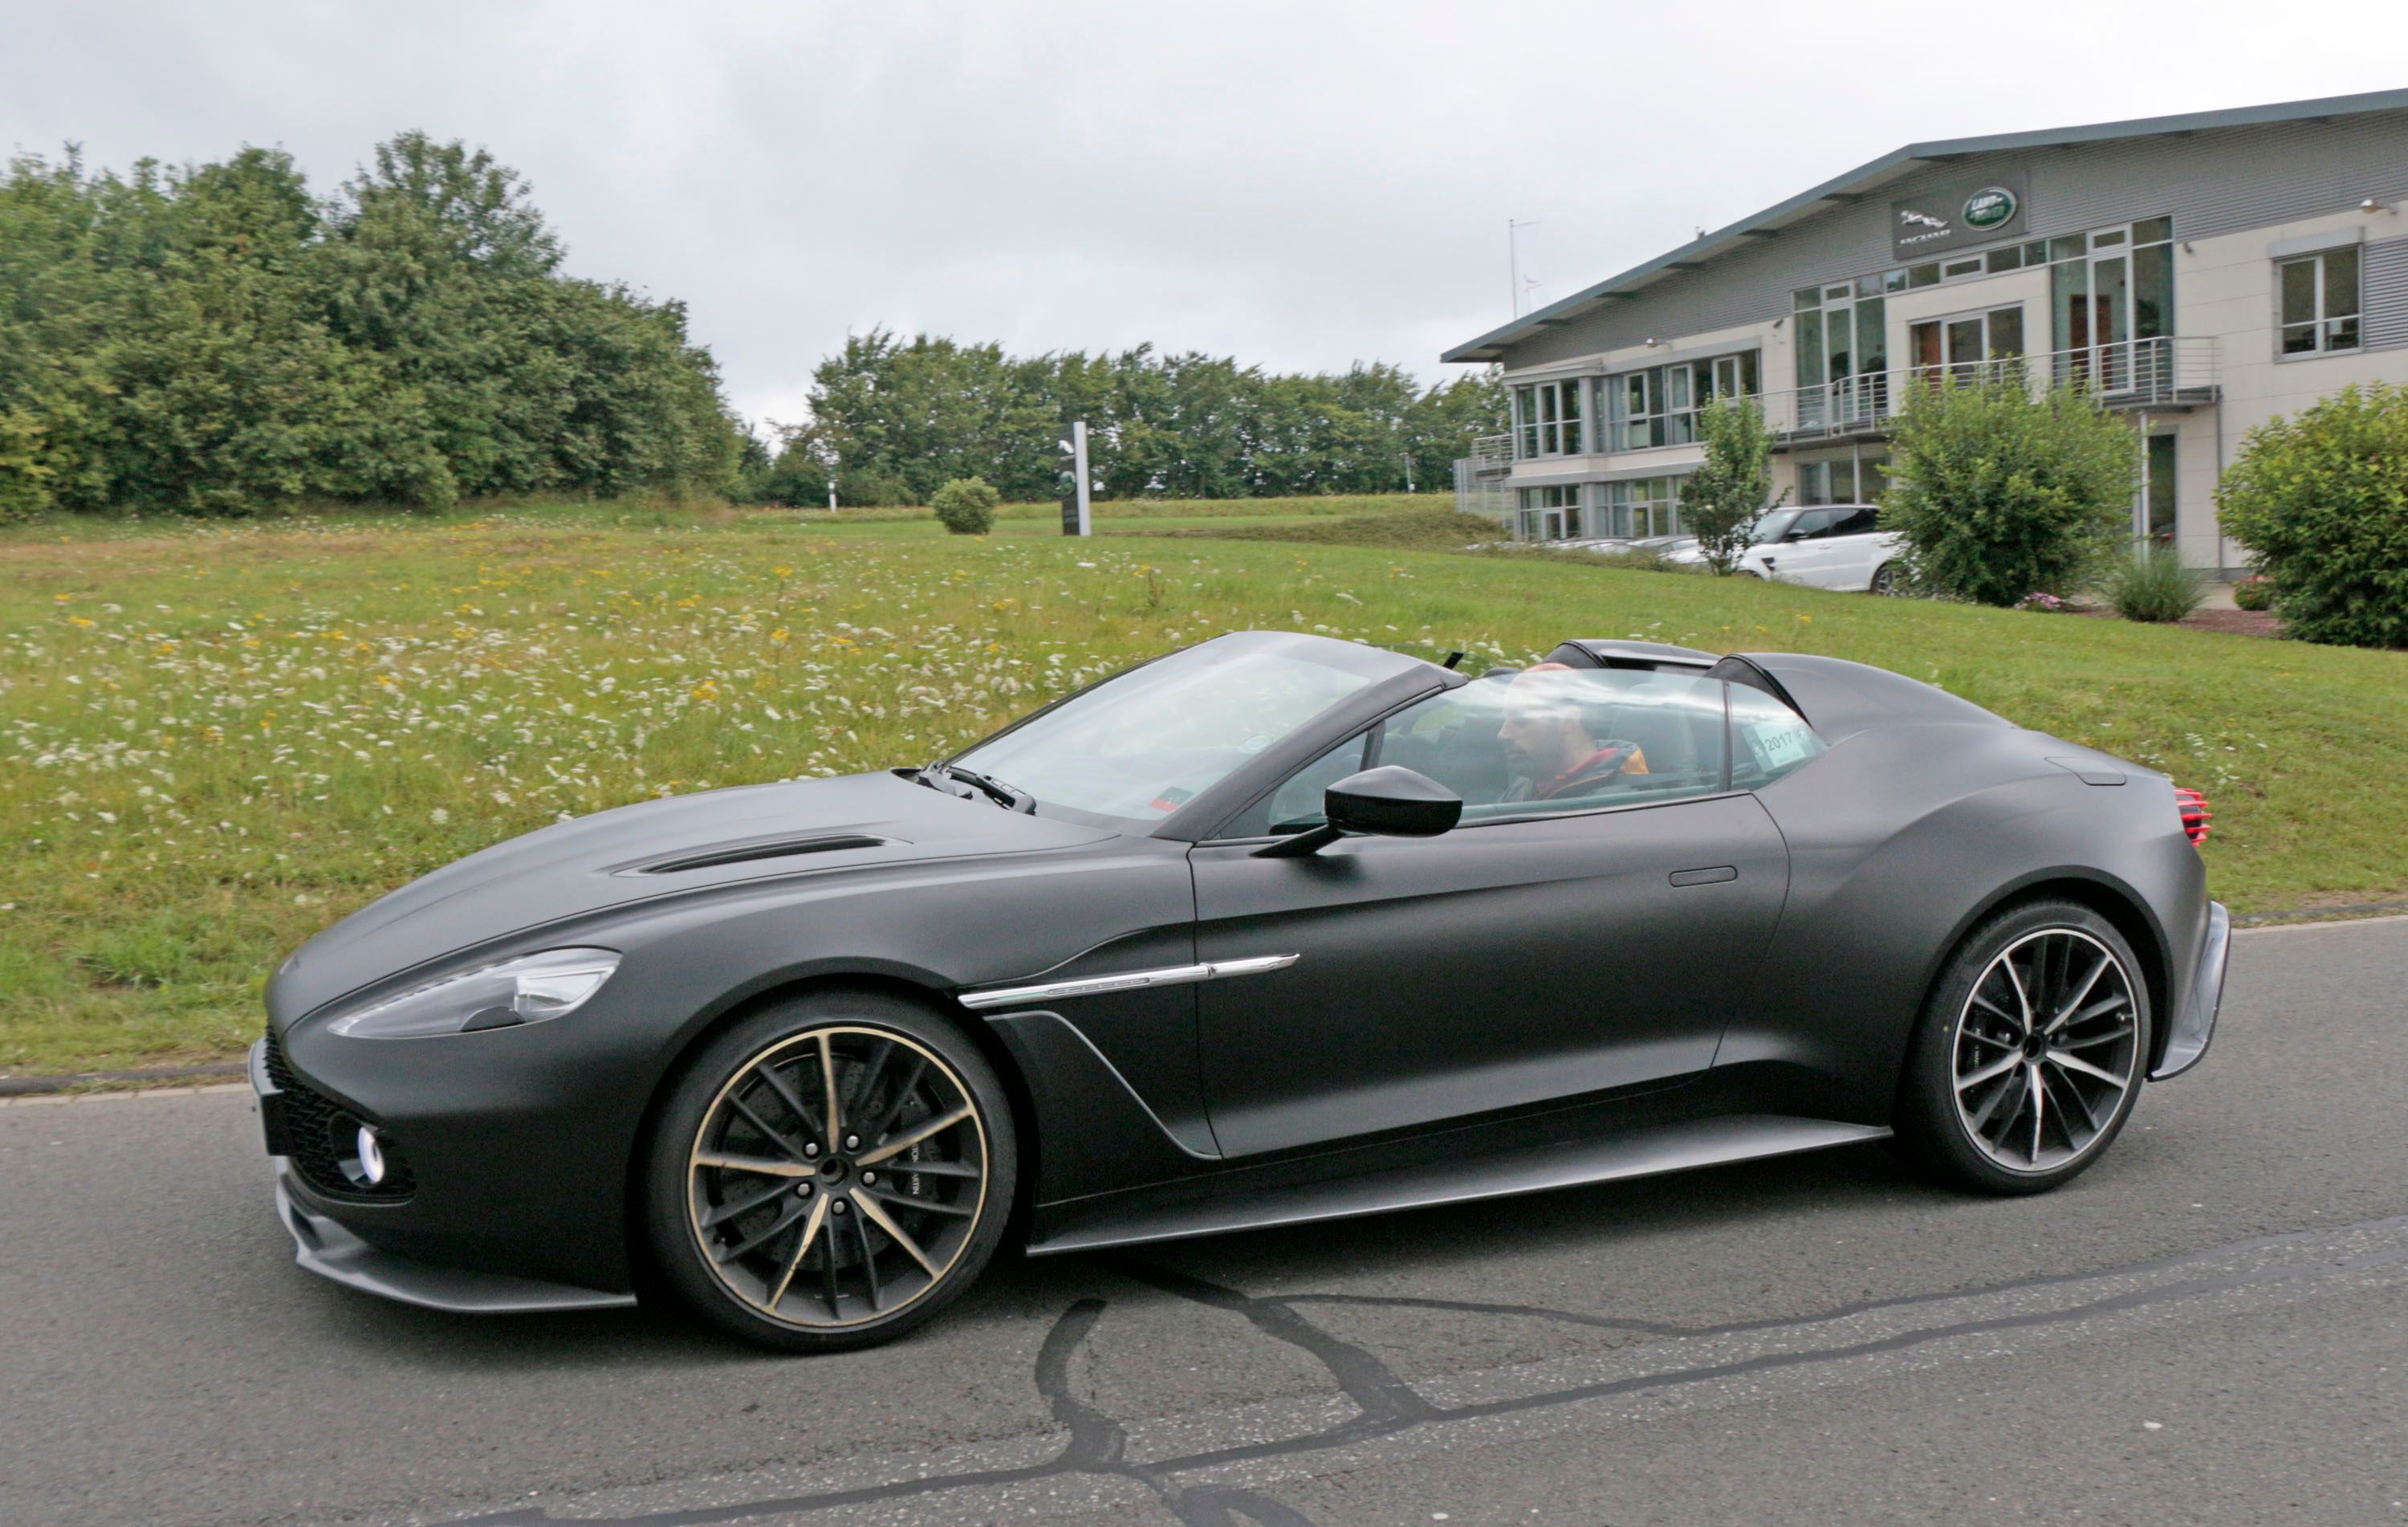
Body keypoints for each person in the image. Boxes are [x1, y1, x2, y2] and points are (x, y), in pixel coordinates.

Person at [1495, 663, 1647, 802]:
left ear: (1568, 721)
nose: (1503, 735)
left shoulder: (1615, 802)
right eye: (1505, 719)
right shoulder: (1528, 785)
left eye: (1520, 719)